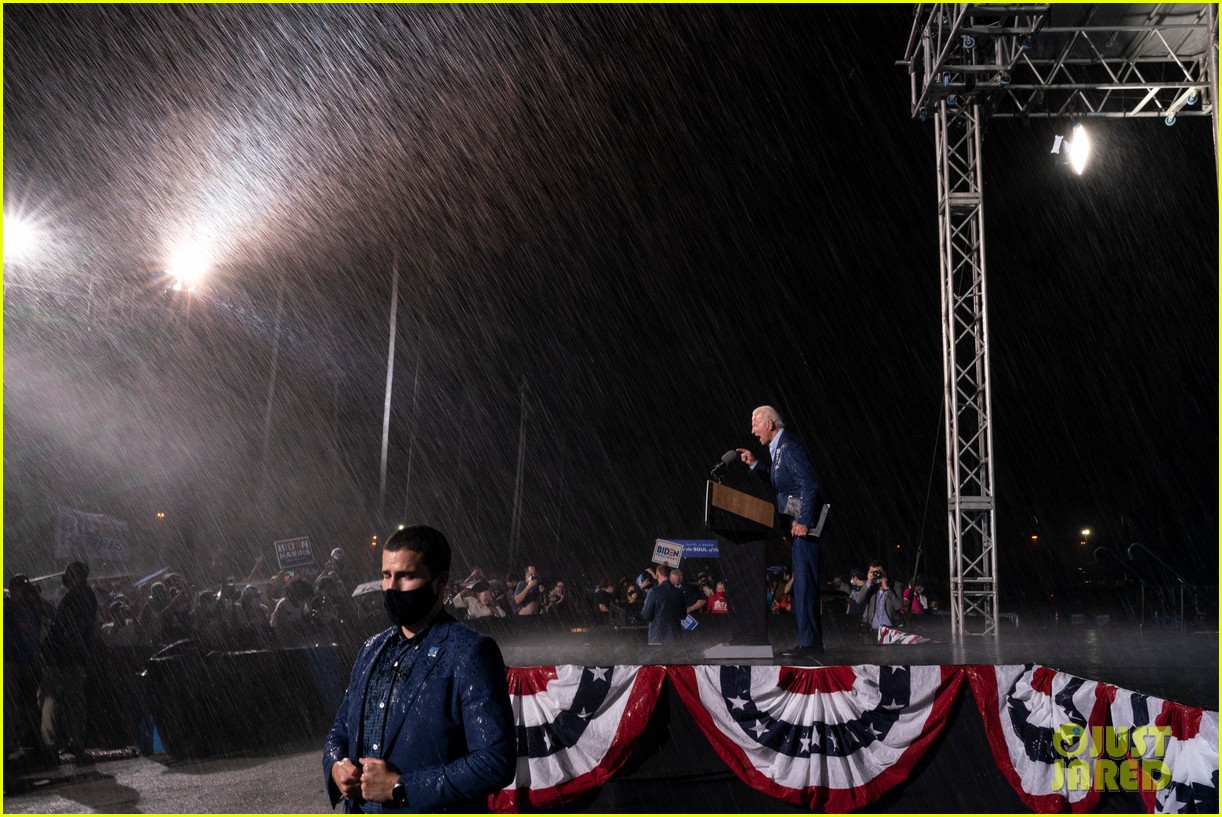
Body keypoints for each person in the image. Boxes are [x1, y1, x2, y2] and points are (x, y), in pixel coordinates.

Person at [323, 526, 515, 812]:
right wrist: (336, 766)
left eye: (406, 576)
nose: (391, 587)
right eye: (386, 575)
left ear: (440, 582)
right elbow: (340, 730)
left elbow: (494, 760)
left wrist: (402, 788)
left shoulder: (470, 652)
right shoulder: (370, 650)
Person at [738, 405, 827, 659]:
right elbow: (783, 485)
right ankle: (810, 641)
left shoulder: (789, 446)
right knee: (803, 583)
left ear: (769, 423)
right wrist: (756, 465)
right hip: (797, 526)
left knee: (805, 585)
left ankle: (809, 644)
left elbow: (808, 484)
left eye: (755, 424)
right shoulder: (779, 451)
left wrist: (804, 521)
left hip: (804, 529)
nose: (753, 430)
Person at [39, 561, 98, 761]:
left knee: (51, 701)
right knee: (68, 703)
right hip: (69, 657)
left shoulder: (81, 595)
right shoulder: (80, 596)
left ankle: (56, 746)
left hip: (65, 658)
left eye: (70, 573)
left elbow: (71, 626)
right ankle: (73, 744)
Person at [640, 568, 686, 646]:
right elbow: (683, 615)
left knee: (658, 658)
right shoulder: (679, 592)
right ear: (669, 576)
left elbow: (645, 615)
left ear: (657, 575)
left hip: (657, 637)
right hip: (675, 638)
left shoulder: (653, 591)